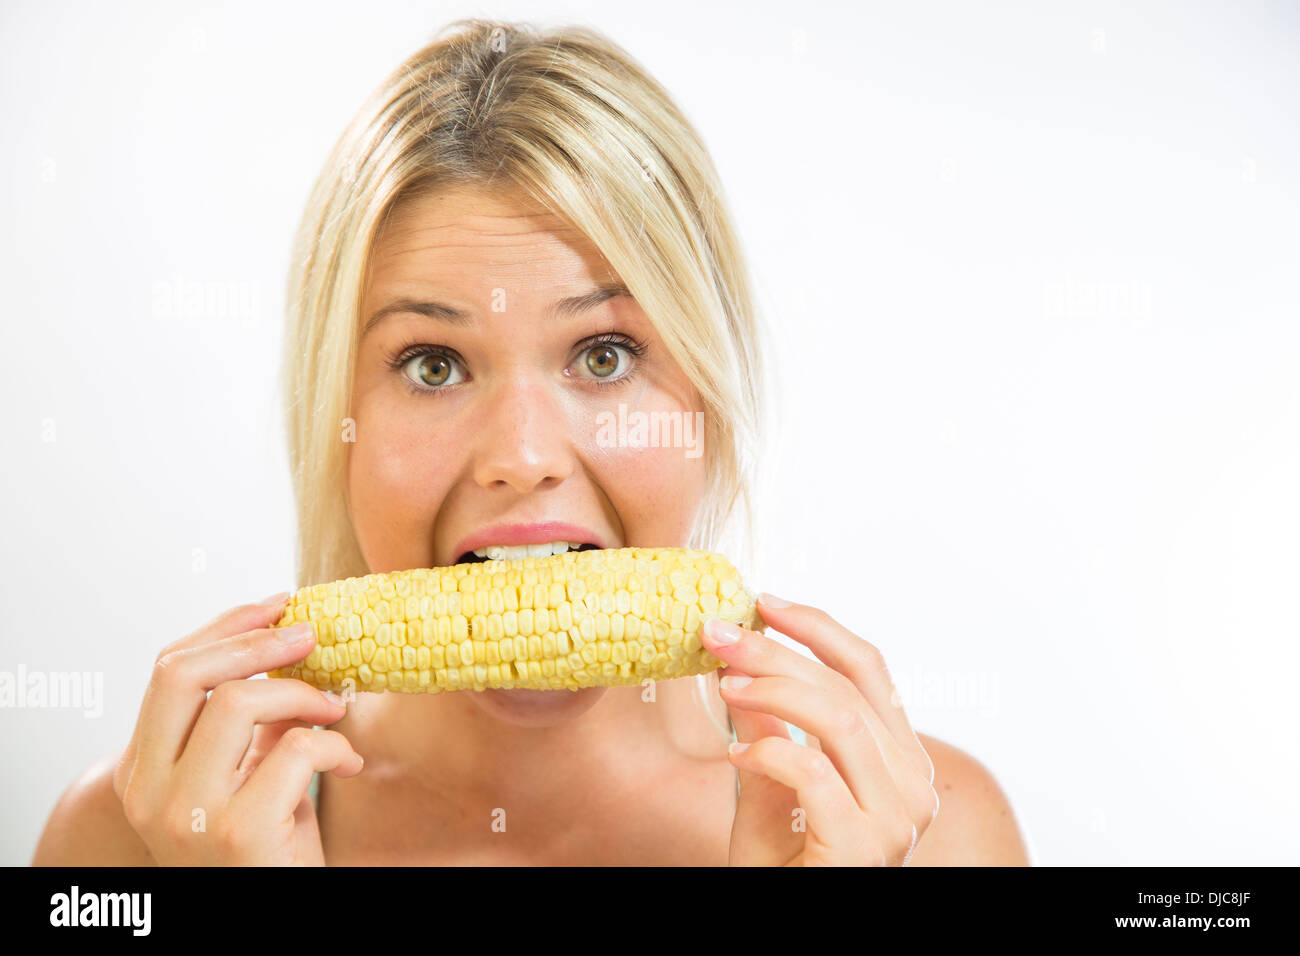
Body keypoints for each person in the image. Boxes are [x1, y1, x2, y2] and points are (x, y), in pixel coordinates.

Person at [33, 18, 1030, 866]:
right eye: (431, 363)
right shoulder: (132, 840)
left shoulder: (931, 833)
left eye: (602, 354)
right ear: (330, 420)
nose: (521, 453)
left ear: (710, 407)